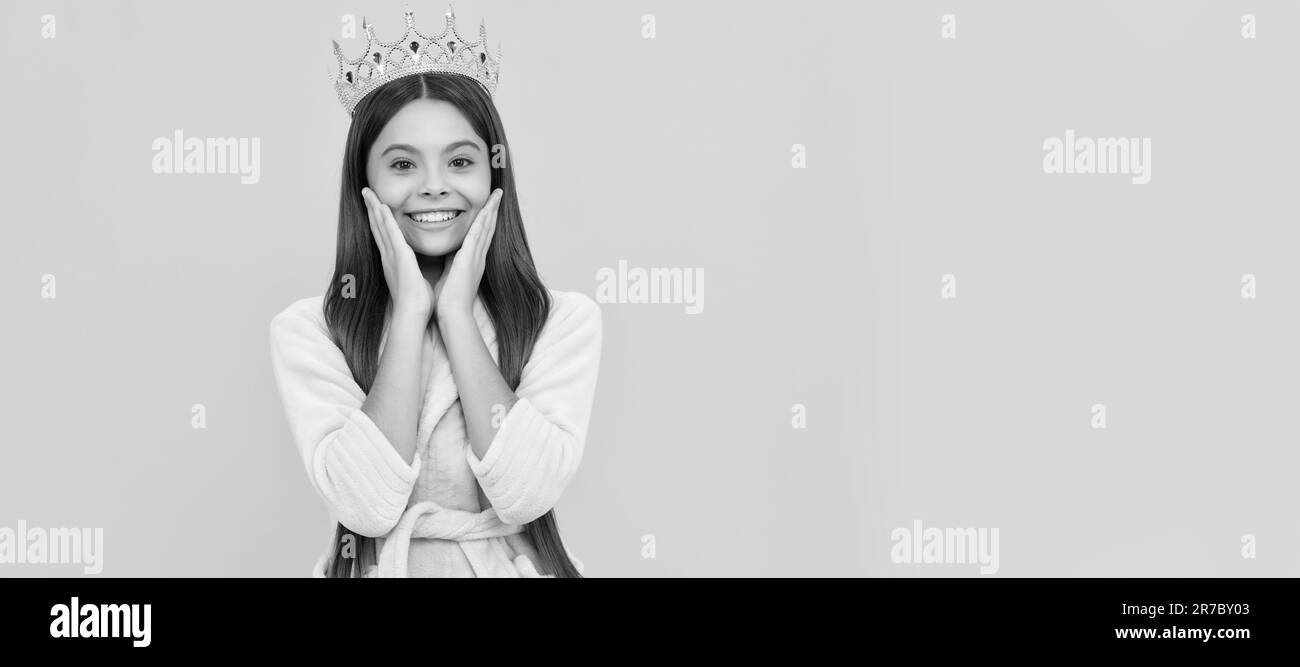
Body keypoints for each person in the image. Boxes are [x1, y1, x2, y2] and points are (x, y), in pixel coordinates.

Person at [269, 8, 600, 577]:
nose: (433, 186)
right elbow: (366, 508)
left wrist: (456, 317)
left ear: (494, 175)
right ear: (364, 183)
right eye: (402, 163)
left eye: (460, 161)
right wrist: (409, 318)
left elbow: (527, 493)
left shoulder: (560, 321)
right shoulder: (311, 330)